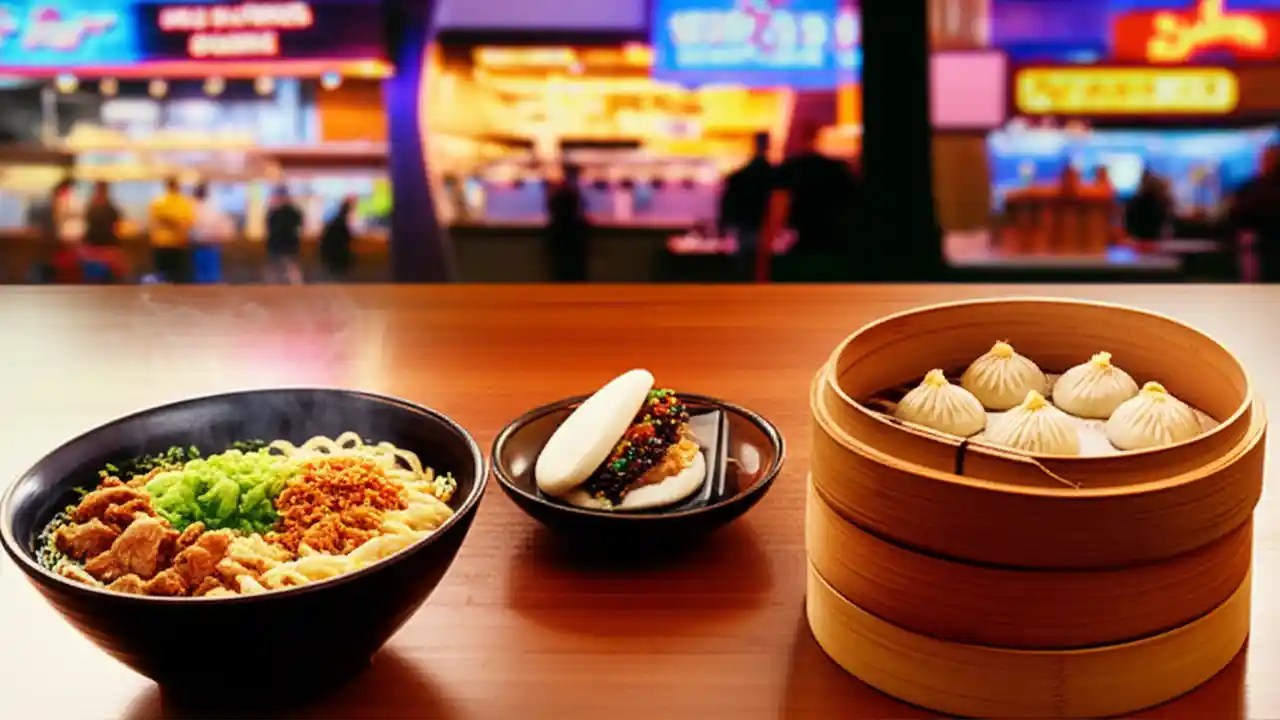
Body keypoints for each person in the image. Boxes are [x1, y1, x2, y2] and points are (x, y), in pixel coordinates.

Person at [758, 122, 861, 281]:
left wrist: (766, 252)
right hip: (835, 248)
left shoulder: (791, 168)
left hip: (804, 245)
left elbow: (778, 208)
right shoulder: (838, 170)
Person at [719, 132, 776, 279]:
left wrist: (724, 224)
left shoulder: (740, 176)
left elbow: (728, 202)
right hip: (765, 226)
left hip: (745, 226)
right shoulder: (773, 175)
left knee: (745, 265)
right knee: (763, 266)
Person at [1228, 144, 1280, 282]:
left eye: (1264, 159)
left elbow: (1236, 215)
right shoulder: (1251, 187)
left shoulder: (1252, 188)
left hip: (1257, 249)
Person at [545, 163, 590, 282]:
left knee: (561, 274)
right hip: (575, 247)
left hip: (560, 247)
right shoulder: (573, 197)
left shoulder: (562, 196)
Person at [148, 177, 196, 282]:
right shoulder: (185, 203)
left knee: (163, 277)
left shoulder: (158, 202)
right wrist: (176, 223)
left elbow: (155, 221)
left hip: (163, 245)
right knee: (178, 278)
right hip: (177, 244)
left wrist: (168, 221)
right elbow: (188, 223)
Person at [82, 181, 127, 282]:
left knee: (108, 280)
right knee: (96, 280)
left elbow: (117, 227)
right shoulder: (92, 208)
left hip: (106, 247)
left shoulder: (107, 209)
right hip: (95, 248)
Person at [190, 183, 235, 283]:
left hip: (195, 247)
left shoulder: (190, 208)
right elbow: (227, 231)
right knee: (211, 279)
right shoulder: (213, 208)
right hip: (212, 247)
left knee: (197, 279)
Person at [265, 184, 304, 284]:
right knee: (290, 269)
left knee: (277, 271)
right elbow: (299, 226)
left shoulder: (274, 213)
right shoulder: (294, 212)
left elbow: (269, 227)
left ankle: (275, 291)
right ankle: (295, 289)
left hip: (277, 246)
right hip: (290, 246)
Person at [1125, 169, 1173, 243]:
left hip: (1137, 240)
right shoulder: (1158, 204)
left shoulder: (1135, 201)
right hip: (1152, 240)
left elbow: (1129, 223)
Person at [320, 196, 356, 281]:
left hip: (332, 256)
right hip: (338, 256)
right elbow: (347, 237)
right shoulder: (341, 222)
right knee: (339, 279)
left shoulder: (334, 221)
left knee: (335, 279)